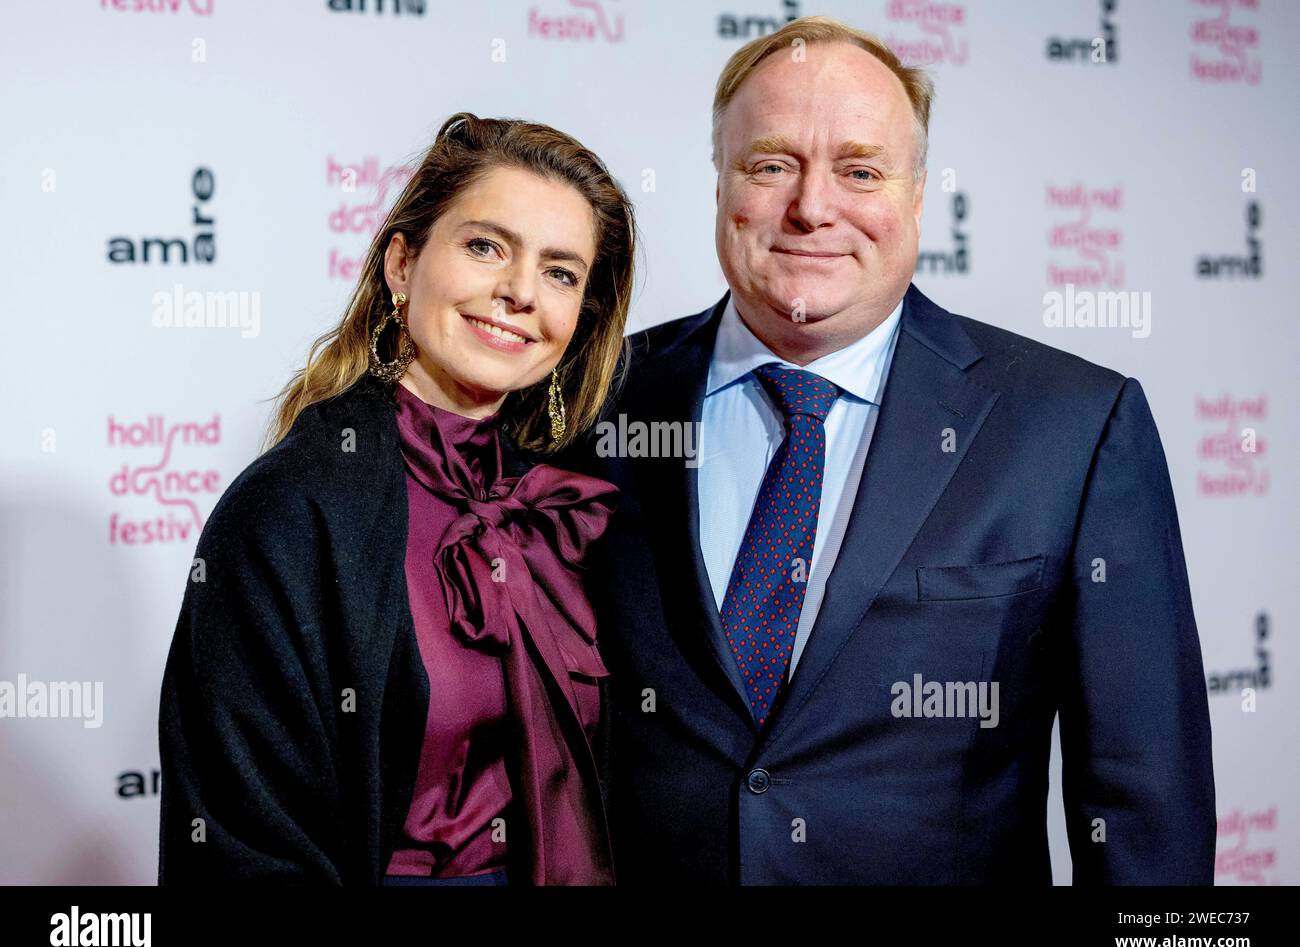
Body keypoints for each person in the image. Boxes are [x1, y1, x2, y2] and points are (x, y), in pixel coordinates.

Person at [561, 16, 1216, 884]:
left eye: (860, 170)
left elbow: (1144, 803)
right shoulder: (590, 400)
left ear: (916, 196)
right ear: (721, 183)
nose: (812, 207)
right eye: (771, 164)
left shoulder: (1074, 426)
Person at [158, 112, 636, 885]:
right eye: (486, 246)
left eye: (560, 272)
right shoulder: (289, 511)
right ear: (403, 265)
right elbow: (242, 838)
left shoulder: (568, 511)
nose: (518, 292)